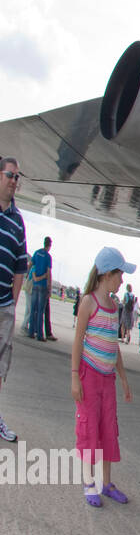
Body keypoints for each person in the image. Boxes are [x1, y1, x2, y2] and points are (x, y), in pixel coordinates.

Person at [71, 247, 136, 507]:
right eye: (120, 275)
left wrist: (123, 378)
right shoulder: (89, 302)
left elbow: (113, 344)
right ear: (108, 274)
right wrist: (75, 377)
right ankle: (89, 484)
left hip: (108, 380)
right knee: (89, 430)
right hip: (89, 376)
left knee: (109, 430)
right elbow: (77, 342)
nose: (123, 280)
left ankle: (106, 483)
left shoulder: (113, 305)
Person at [0, 157, 28, 442]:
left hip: (3, 305)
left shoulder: (18, 221)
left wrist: (12, 303)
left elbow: (21, 266)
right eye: (10, 175)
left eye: (17, 177)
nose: (14, 181)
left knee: (0, 365)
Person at [27, 235, 52, 341]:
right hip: (42, 285)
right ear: (49, 245)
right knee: (41, 311)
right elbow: (48, 272)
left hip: (35, 285)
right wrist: (49, 287)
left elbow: (30, 265)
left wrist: (29, 276)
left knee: (33, 309)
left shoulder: (36, 253)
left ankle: (31, 332)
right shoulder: (48, 256)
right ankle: (40, 335)